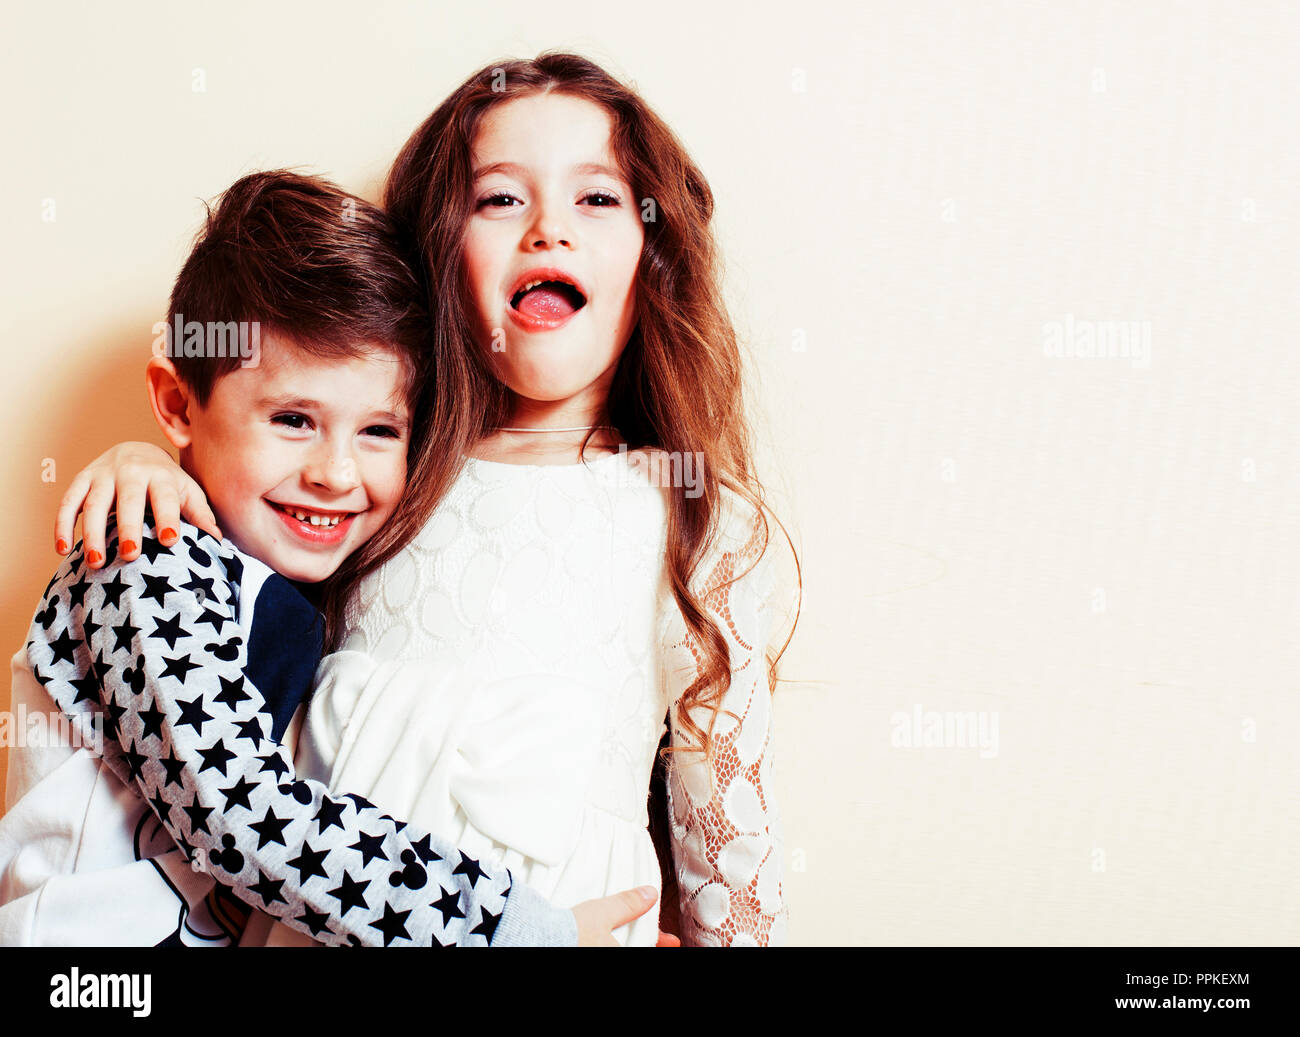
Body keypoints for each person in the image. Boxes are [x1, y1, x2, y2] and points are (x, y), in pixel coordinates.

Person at [56, 52, 800, 946]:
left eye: (598, 198)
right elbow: (230, 601)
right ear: (442, 253)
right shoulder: (383, 481)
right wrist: (151, 462)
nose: (548, 232)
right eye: (499, 199)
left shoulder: (693, 517)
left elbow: (731, 848)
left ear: (654, 249)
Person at [1, 169, 662, 946]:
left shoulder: (281, 582)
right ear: (180, 404)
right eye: (292, 418)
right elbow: (238, 815)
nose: (337, 473)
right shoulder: (144, 556)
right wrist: (512, 928)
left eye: (379, 431)